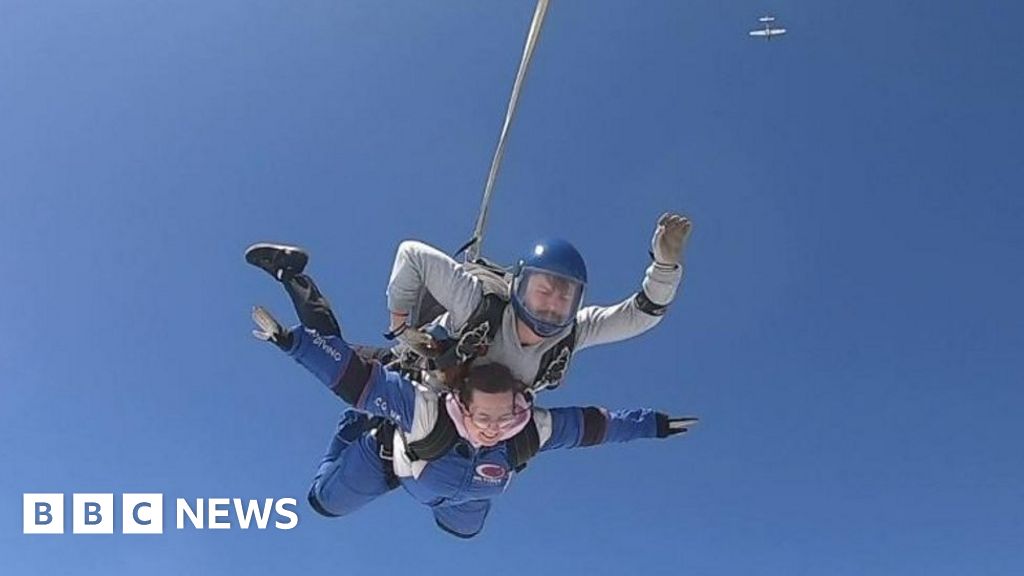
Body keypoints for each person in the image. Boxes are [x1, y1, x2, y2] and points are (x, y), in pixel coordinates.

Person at [248, 261, 697, 538]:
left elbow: (596, 426)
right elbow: (351, 375)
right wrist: (291, 342)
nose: (493, 429)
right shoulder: (427, 411)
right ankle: (359, 424)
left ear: (520, 405)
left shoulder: (529, 431)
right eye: (482, 417)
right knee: (324, 502)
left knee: (464, 531)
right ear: (460, 404)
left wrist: (653, 424)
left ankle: (440, 494)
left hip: (467, 498)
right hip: (390, 460)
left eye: (504, 419)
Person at [246, 212, 692, 394]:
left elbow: (641, 315)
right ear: (518, 285)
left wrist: (665, 266)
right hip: (416, 373)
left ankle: (291, 277)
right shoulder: (480, 303)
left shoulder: (573, 332)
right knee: (332, 358)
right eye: (543, 288)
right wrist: (401, 324)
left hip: (469, 418)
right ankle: (292, 273)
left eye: (566, 295)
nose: (553, 304)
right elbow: (412, 254)